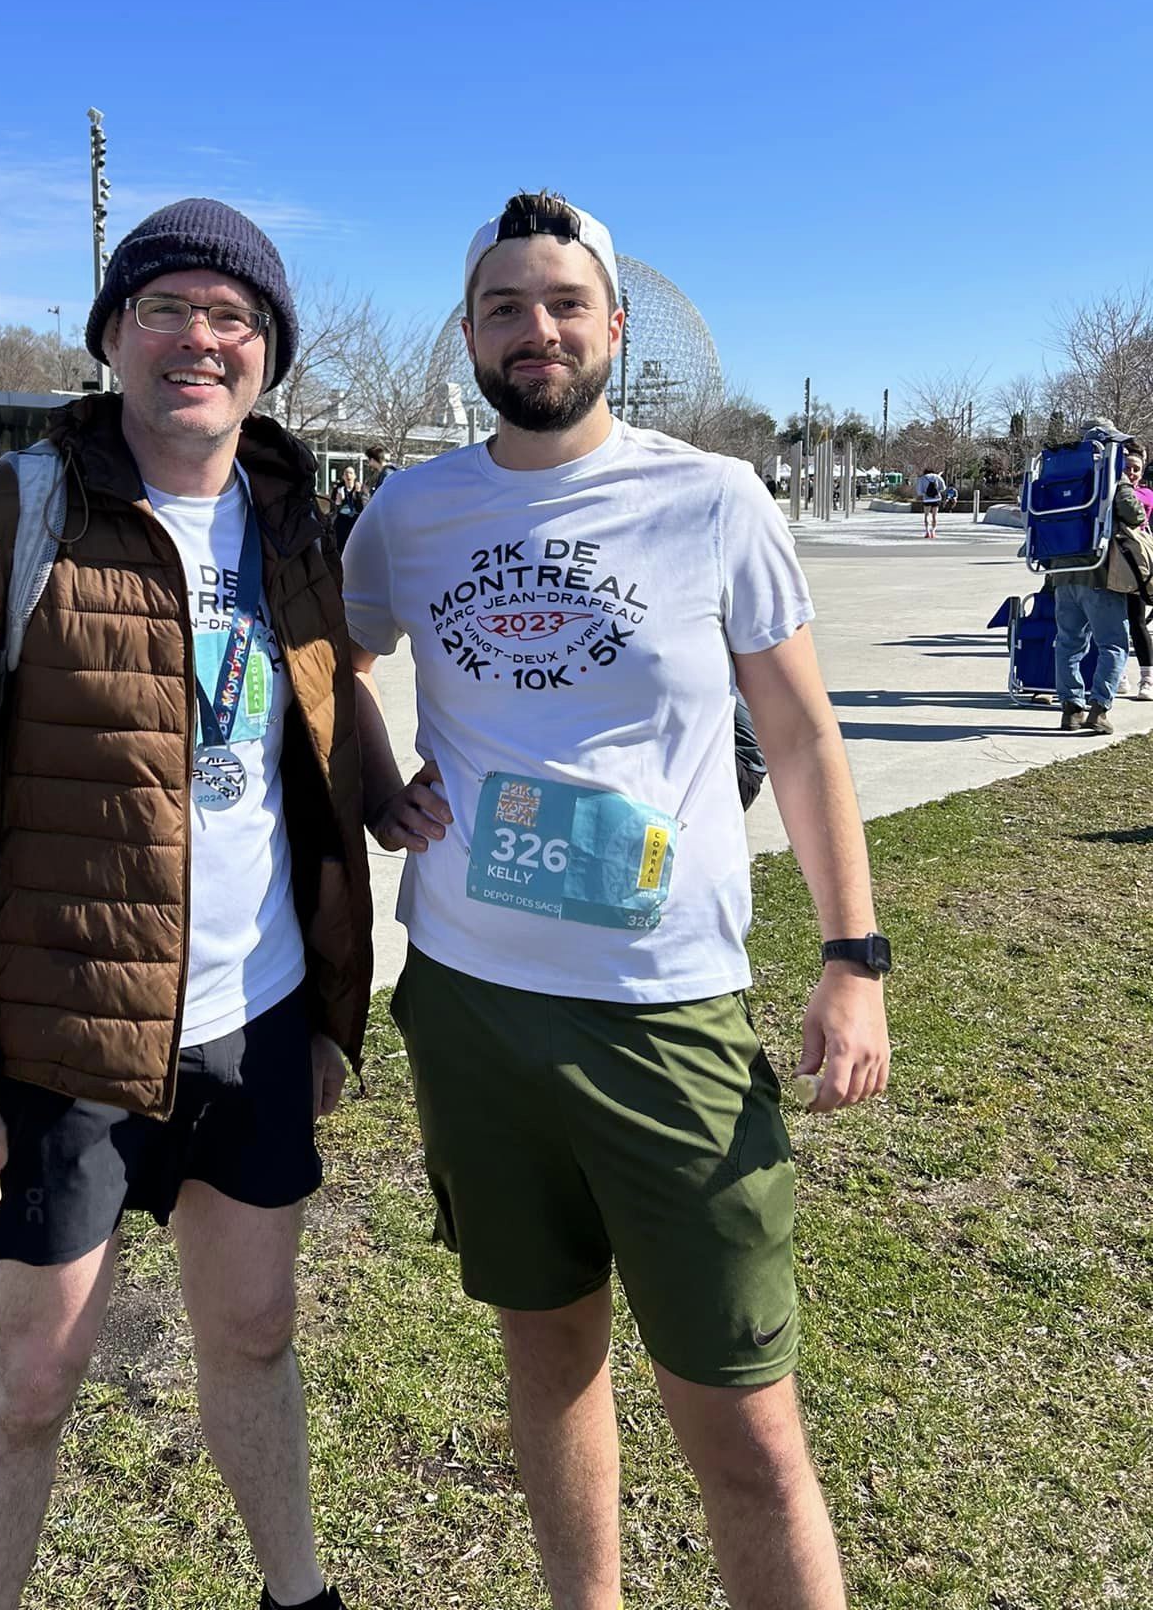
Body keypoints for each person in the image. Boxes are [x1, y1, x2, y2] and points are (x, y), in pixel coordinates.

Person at [343, 189, 889, 1610]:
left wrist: (854, 955)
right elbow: (318, 657)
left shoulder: (711, 500)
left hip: (665, 1018)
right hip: (469, 1003)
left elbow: (809, 735)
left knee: (750, 1424)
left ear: (615, 327)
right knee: (548, 1359)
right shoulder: (413, 510)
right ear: (469, 333)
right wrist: (368, 777)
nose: (538, 330)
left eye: (565, 304)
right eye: (507, 307)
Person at [0, 198, 370, 1610]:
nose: (202, 339)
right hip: (58, 1038)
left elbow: (314, 722)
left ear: (268, 354)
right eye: (168, 310)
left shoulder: (287, 519)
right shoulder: (2, 516)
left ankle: (299, 1593)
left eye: (235, 317)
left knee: (257, 1329)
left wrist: (340, 964)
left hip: (251, 1025)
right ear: (112, 338)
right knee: (33, 1377)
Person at [1051, 422, 1143, 734]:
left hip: (1062, 573)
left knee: (1068, 643)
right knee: (1114, 644)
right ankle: (1099, 709)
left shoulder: (1058, 474)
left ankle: (1071, 709)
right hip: (1100, 572)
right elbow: (1135, 514)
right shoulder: (1109, 475)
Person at [1114, 440, 1153, 702]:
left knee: (1137, 622)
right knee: (1114, 624)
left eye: (1137, 469)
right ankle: (1119, 676)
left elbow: (1138, 518)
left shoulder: (1145, 495)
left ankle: (1147, 679)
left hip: (1135, 563)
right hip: (1112, 563)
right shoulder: (1110, 490)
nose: (1132, 472)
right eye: (1127, 467)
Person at [327, 463, 365, 553]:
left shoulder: (359, 489)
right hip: (342, 522)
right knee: (341, 546)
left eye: (351, 473)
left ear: (355, 476)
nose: (348, 475)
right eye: (346, 473)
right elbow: (332, 509)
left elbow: (362, 509)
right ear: (343, 477)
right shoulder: (338, 490)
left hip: (355, 522)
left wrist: (358, 494)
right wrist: (337, 503)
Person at [915, 466, 945, 537]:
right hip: (936, 498)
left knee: (926, 515)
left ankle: (927, 531)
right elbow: (943, 487)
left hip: (926, 499)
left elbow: (919, 491)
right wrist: (937, 491)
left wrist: (924, 493)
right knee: (934, 516)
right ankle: (933, 531)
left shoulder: (922, 478)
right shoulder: (937, 476)